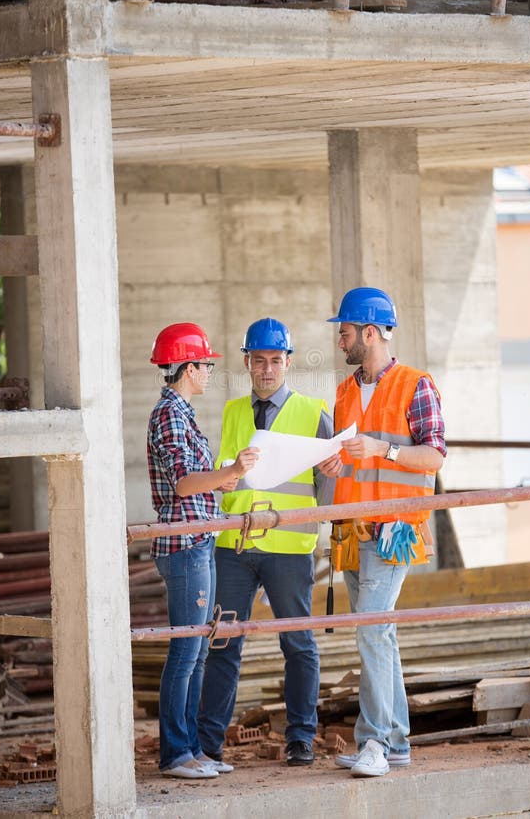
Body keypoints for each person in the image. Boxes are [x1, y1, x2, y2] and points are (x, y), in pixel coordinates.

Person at [198, 318, 338, 767]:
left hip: (288, 550)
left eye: (275, 361)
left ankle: (300, 737)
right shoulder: (234, 410)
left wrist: (328, 534)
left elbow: (329, 481)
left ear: (288, 363)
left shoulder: (314, 412)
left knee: (298, 645)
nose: (267, 369)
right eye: (258, 361)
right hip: (234, 547)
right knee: (222, 643)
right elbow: (226, 469)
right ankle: (208, 743)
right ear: (246, 363)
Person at [326, 287, 446, 778]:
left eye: (346, 331)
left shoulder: (417, 386)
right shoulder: (344, 390)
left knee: (373, 630)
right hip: (353, 531)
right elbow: (352, 459)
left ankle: (374, 740)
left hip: (394, 529)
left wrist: (383, 450)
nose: (340, 339)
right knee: (381, 635)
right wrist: (335, 462)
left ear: (370, 333)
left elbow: (435, 456)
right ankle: (395, 742)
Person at [147, 322, 258, 780]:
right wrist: (227, 470)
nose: (210, 372)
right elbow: (185, 483)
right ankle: (177, 753)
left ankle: (191, 750)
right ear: (187, 367)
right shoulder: (170, 415)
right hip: (185, 544)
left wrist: (224, 477)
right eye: (205, 365)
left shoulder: (182, 412)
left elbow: (197, 481)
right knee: (186, 652)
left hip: (198, 540)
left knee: (195, 651)